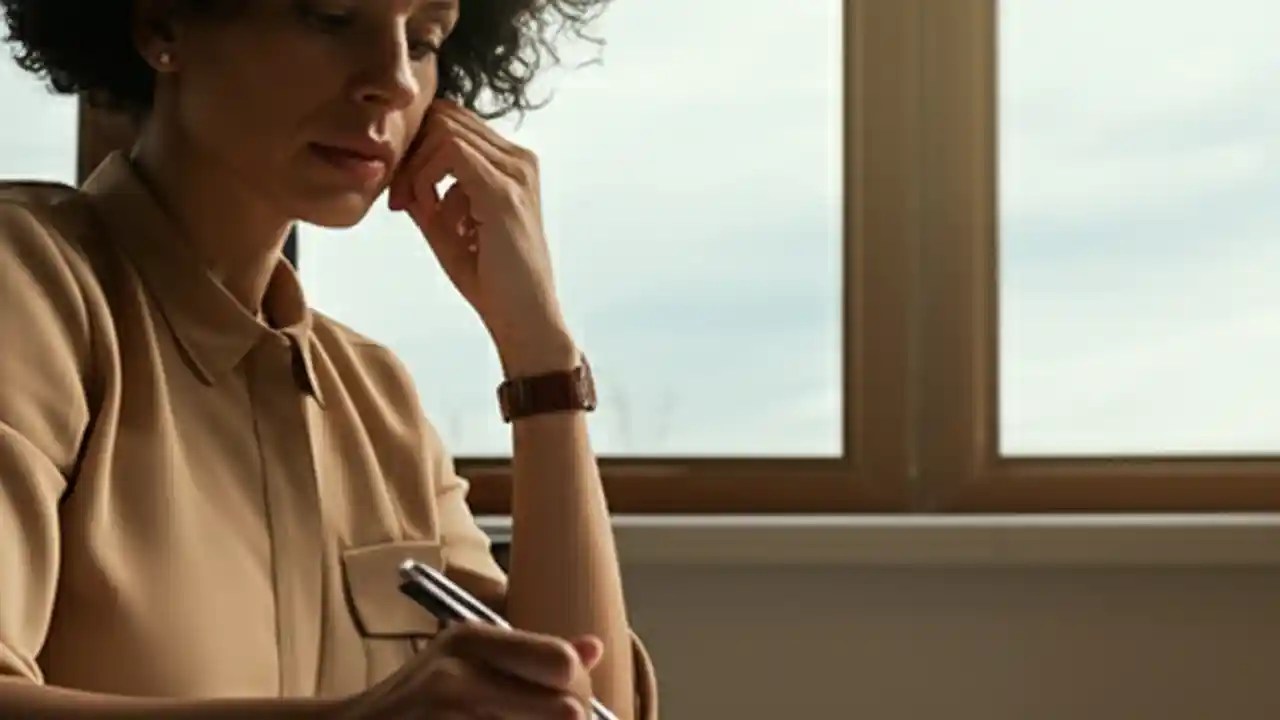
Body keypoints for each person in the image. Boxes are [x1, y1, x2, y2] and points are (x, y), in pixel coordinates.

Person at [0, 0, 657, 717]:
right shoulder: (27, 288)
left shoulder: (380, 402)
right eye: (331, 16)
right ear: (161, 24)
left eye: (423, 39)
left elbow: (589, 706)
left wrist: (540, 356)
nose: (397, 81)